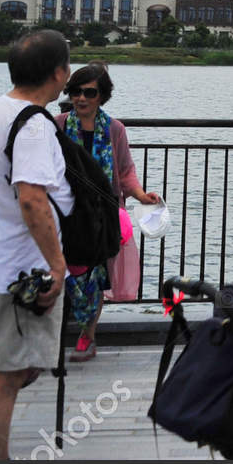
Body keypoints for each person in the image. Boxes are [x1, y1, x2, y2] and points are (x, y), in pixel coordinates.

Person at [0, 30, 74, 460]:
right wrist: (58, 265)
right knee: (5, 377)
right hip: (19, 272)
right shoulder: (32, 126)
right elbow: (32, 199)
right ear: (59, 74)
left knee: (2, 372)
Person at [57, 63, 160, 361]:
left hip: (102, 216)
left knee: (97, 276)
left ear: (102, 96)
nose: (81, 99)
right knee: (60, 272)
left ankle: (87, 335)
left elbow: (125, 171)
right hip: (66, 213)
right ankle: (54, 333)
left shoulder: (114, 129)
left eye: (89, 92)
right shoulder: (59, 124)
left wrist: (141, 195)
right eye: (76, 92)